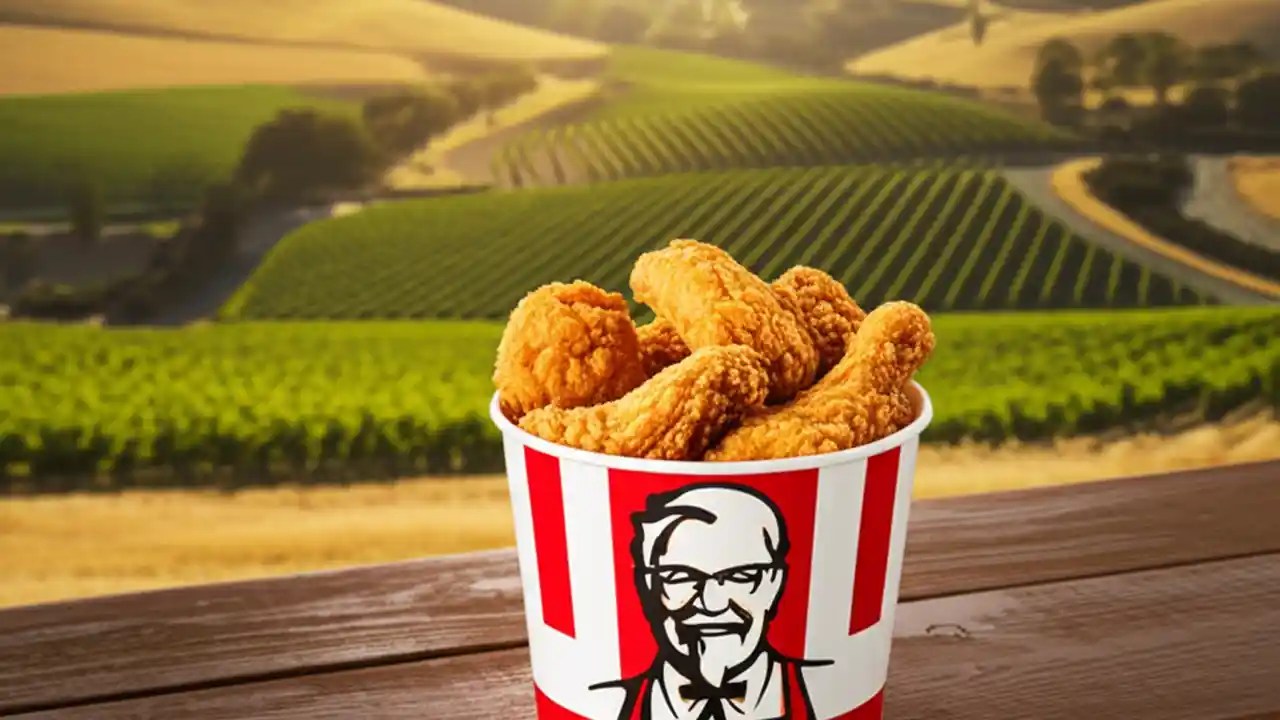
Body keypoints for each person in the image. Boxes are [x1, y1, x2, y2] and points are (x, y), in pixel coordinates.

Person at [595, 484, 827, 720]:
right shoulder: (602, 704)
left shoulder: (831, 690)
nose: (712, 604)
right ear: (647, 584)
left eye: (740, 576)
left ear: (775, 582)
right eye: (681, 576)